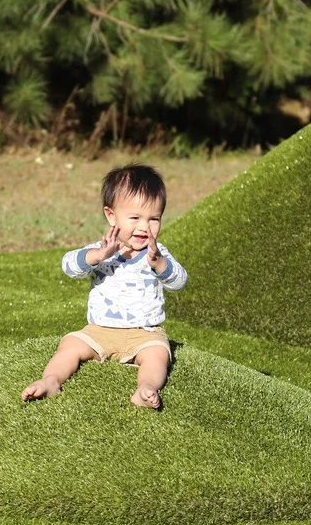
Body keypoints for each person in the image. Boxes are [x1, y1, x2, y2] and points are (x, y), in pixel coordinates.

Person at [21, 163, 189, 409]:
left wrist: (160, 265)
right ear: (111, 216)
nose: (144, 227)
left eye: (154, 219)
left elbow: (179, 282)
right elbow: (69, 266)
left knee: (157, 356)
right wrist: (97, 256)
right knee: (70, 347)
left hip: (145, 331)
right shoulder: (102, 249)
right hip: (99, 330)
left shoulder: (157, 253)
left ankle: (146, 388)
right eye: (135, 218)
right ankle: (51, 380)